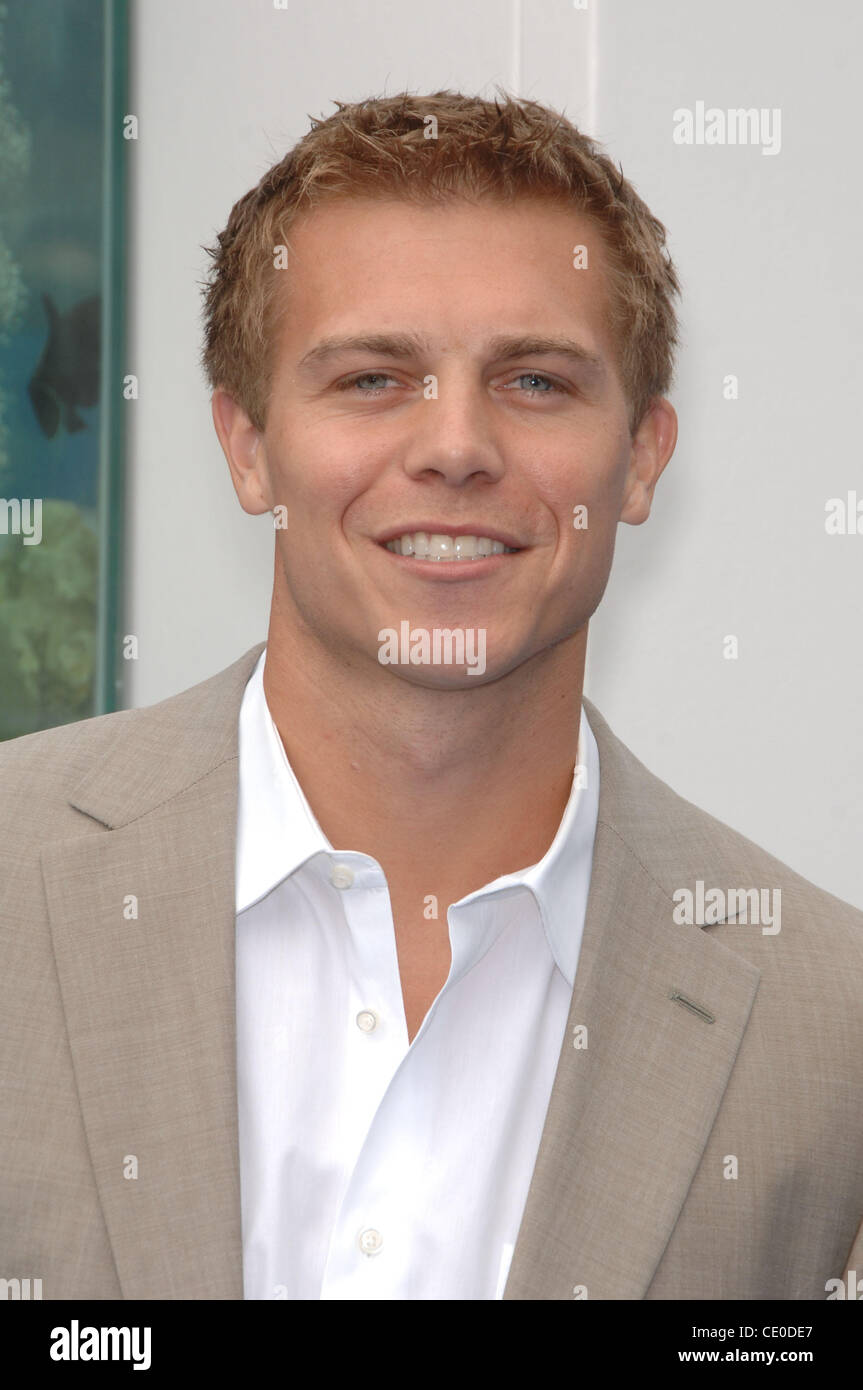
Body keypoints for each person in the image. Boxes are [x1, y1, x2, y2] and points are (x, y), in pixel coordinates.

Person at [1, 90, 861, 1302]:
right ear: (246, 447)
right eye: (370, 378)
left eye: (535, 382)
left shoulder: (830, 1030)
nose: (455, 444)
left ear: (643, 456)